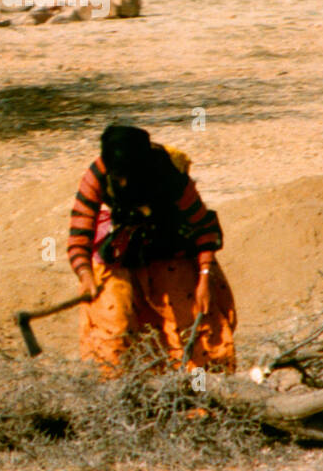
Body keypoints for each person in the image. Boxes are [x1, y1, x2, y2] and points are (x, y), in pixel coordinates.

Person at [68, 124, 236, 377]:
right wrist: (86, 276)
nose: (123, 182)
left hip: (169, 246)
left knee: (193, 325)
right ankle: (120, 392)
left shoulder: (170, 176)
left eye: (128, 176)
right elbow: (78, 236)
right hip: (120, 252)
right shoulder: (98, 174)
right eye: (119, 176)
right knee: (113, 325)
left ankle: (200, 394)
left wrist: (203, 279)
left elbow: (204, 230)